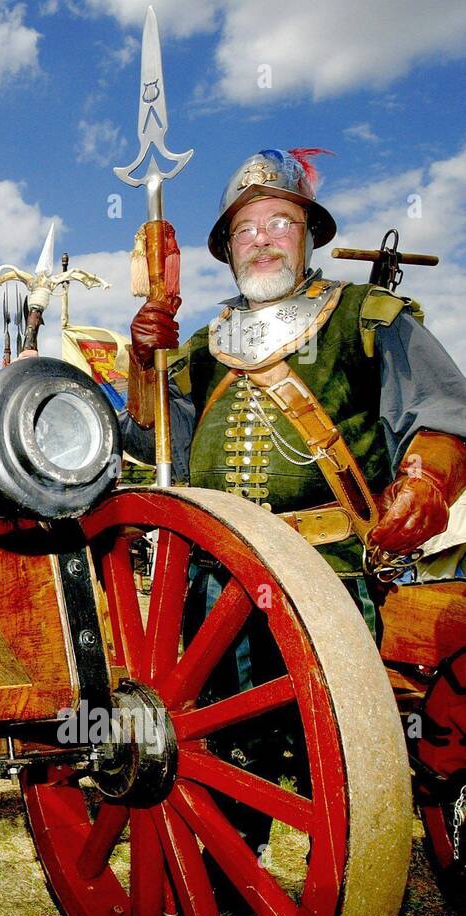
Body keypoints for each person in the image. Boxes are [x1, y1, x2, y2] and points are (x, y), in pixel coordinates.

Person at [119, 147, 466, 842]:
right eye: (245, 229)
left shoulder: (365, 317)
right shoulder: (202, 346)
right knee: (218, 736)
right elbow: (161, 445)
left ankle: (343, 866)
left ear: (308, 236)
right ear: (227, 249)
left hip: (327, 577)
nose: (263, 239)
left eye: (280, 221)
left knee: (335, 741)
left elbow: (441, 409)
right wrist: (143, 363)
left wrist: (427, 480)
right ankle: (228, 861)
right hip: (215, 582)